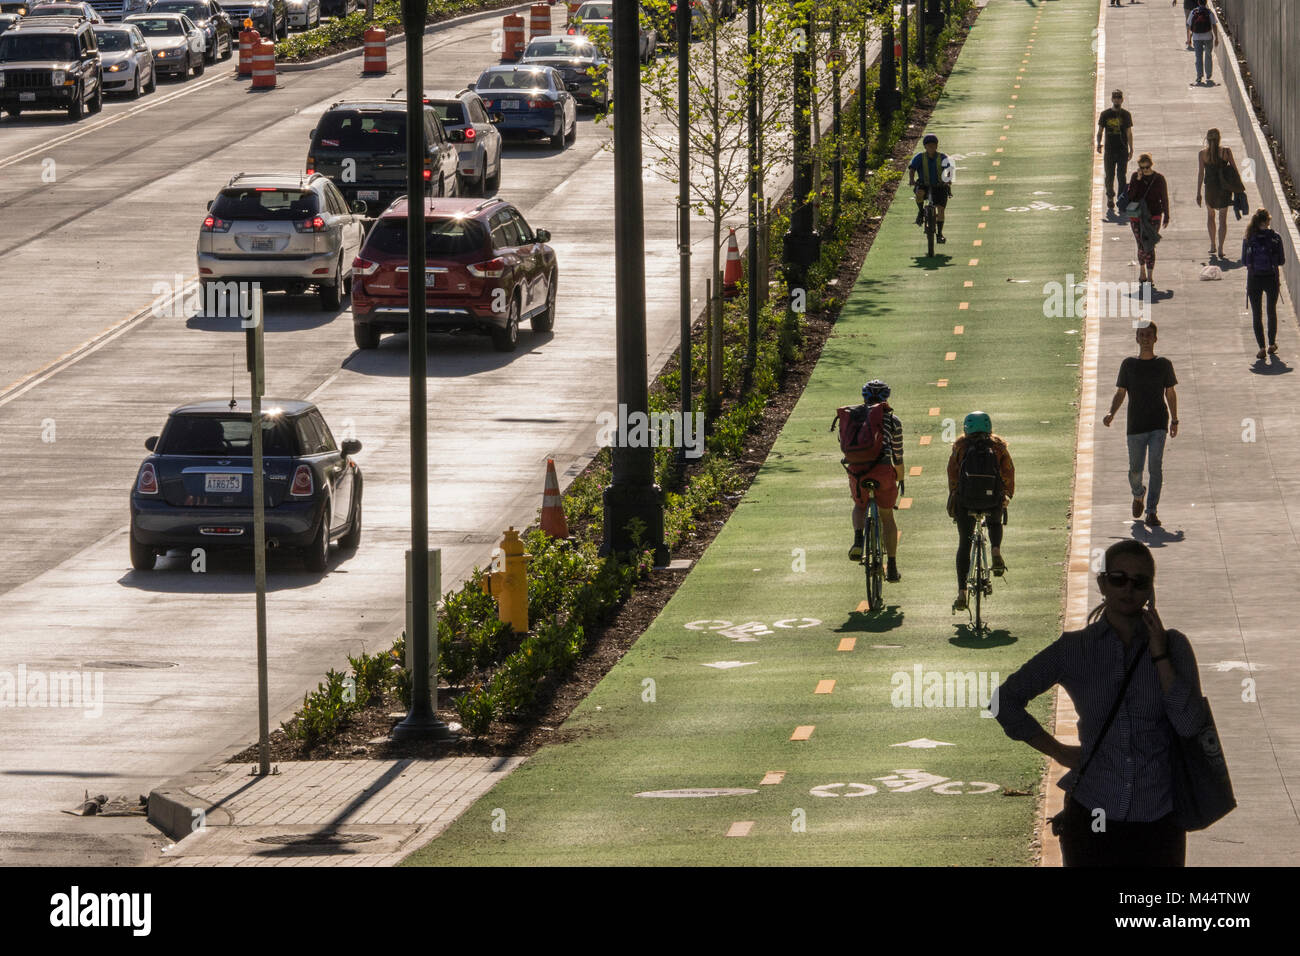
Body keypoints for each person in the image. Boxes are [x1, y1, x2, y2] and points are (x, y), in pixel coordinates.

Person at [992, 540, 1206, 866]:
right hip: (1094, 813)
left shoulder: (1174, 647)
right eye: (1119, 578)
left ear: (1150, 589)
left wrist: (1160, 656)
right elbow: (1004, 701)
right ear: (1102, 583)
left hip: (1159, 817)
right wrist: (1059, 751)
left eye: (1140, 582)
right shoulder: (1075, 649)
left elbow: (1189, 724)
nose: (1128, 589)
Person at [1103, 322, 1179, 527]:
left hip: (1158, 424)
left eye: (1149, 335)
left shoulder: (1164, 364)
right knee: (1135, 470)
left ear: (1156, 338)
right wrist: (1111, 413)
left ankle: (1152, 511)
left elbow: (1170, 393)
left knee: (1155, 467)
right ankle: (1138, 494)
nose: (1145, 338)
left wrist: (1174, 419)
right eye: (1141, 335)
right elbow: (1121, 393)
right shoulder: (1128, 365)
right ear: (1137, 338)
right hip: (1135, 425)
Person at [947, 412, 1014, 612]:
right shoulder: (999, 446)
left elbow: (952, 473)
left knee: (964, 544)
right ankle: (995, 550)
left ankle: (961, 593)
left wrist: (954, 495)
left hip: (965, 502)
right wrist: (1007, 495)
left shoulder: (960, 446)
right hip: (991, 499)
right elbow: (1008, 472)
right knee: (995, 521)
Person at [842, 379, 904, 582]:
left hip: (857, 471)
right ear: (886, 398)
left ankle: (858, 539)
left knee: (860, 506)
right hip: (883, 471)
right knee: (887, 517)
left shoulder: (853, 417)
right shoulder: (893, 421)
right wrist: (900, 477)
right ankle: (892, 566)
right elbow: (897, 455)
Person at [1241, 208, 1286, 359]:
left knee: (1257, 314)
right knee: (1271, 312)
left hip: (1254, 279)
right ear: (1267, 221)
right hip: (1271, 278)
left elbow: (1244, 261)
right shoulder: (1275, 237)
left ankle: (1261, 347)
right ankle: (1272, 344)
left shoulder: (1248, 237)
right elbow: (1281, 261)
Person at [1124, 154, 1170, 290]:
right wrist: (1138, 180)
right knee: (1140, 244)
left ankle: (1150, 276)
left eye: (1147, 167)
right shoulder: (1135, 177)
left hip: (1154, 215)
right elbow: (1131, 196)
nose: (1145, 170)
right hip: (1137, 216)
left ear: (1151, 165)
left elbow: (1164, 198)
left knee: (1149, 245)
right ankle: (1142, 271)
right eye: (1142, 168)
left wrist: (1167, 216)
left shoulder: (1159, 179)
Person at [1196, 128, 1241, 258]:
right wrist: (1238, 188)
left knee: (1210, 216)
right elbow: (1234, 169)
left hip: (1210, 189)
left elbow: (1200, 174)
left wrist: (1198, 192)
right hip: (1224, 189)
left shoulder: (1202, 154)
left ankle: (1212, 245)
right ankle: (1221, 248)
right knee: (1223, 219)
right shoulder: (1226, 151)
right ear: (1219, 138)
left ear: (1207, 139)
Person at [908, 133, 954, 244]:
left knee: (941, 210)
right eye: (928, 145)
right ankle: (921, 212)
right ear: (925, 147)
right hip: (924, 184)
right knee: (919, 193)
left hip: (939, 185)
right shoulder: (920, 157)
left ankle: (939, 234)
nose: (931, 147)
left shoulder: (943, 157)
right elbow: (912, 169)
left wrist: (947, 180)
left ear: (936, 146)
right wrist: (911, 179)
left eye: (933, 145)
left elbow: (949, 170)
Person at [1096, 89, 1133, 213]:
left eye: (1119, 97)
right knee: (1109, 176)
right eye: (1115, 97)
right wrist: (1098, 143)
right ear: (1111, 99)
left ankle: (1121, 198)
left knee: (1121, 176)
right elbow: (1100, 130)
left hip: (1122, 150)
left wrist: (1131, 148)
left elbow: (1129, 132)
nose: (1117, 99)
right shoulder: (1105, 114)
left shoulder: (1126, 115)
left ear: (1122, 99)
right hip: (1110, 150)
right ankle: (1110, 196)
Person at [1187, 0, 1217, 85]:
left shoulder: (1193, 12)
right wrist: (1216, 38)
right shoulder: (1209, 12)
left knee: (1198, 57)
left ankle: (1199, 76)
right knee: (1208, 55)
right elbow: (1214, 25)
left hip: (1196, 38)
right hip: (1208, 37)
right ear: (1206, 2)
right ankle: (1208, 75)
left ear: (1198, 2)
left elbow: (1189, 26)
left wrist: (1189, 39)